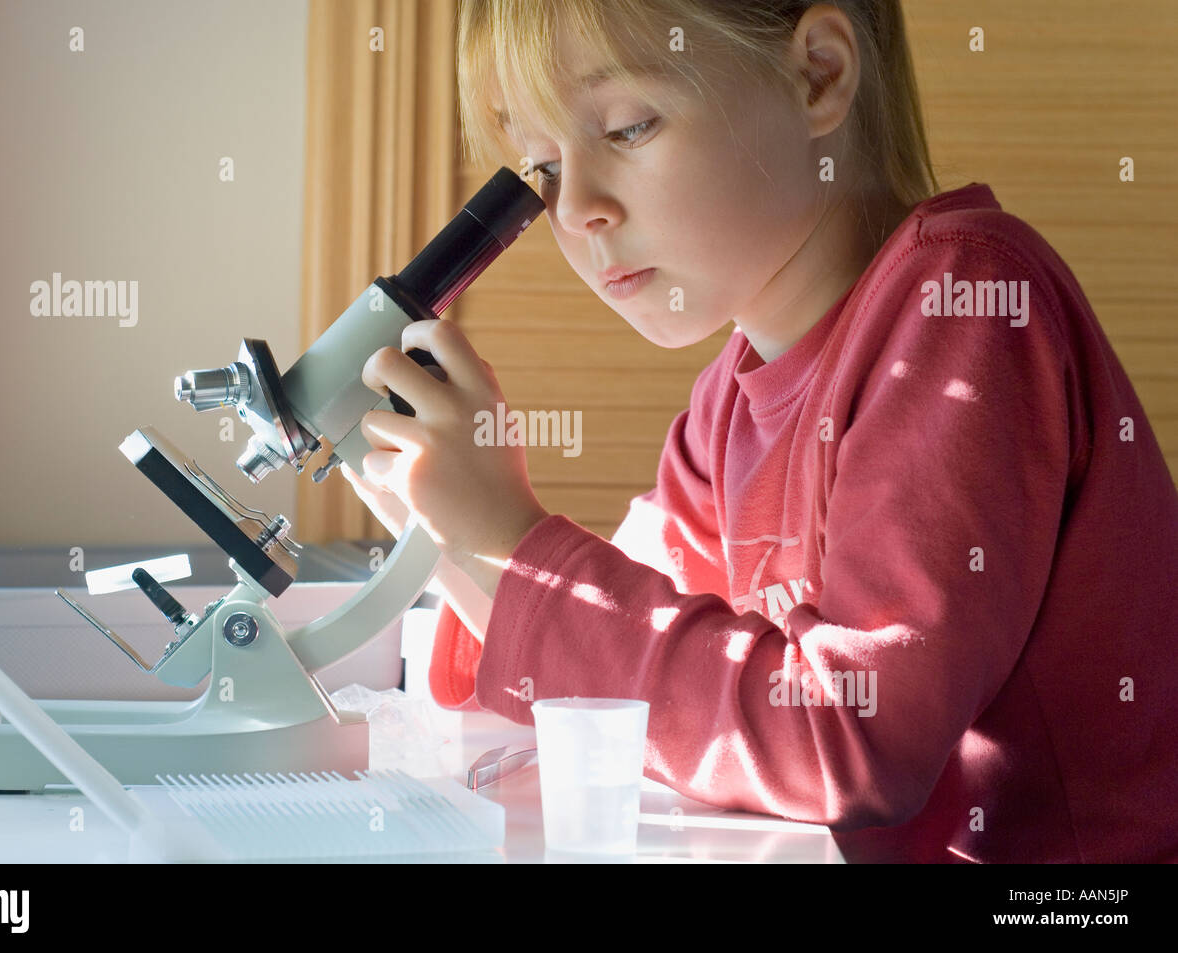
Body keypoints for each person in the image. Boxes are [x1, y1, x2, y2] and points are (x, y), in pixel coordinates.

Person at [343, 0, 1178, 862]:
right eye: (545, 168)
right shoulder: (729, 406)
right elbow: (627, 665)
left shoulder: (965, 307)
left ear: (818, 74)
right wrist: (450, 533)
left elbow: (852, 741)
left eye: (628, 127)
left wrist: (506, 545)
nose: (577, 209)